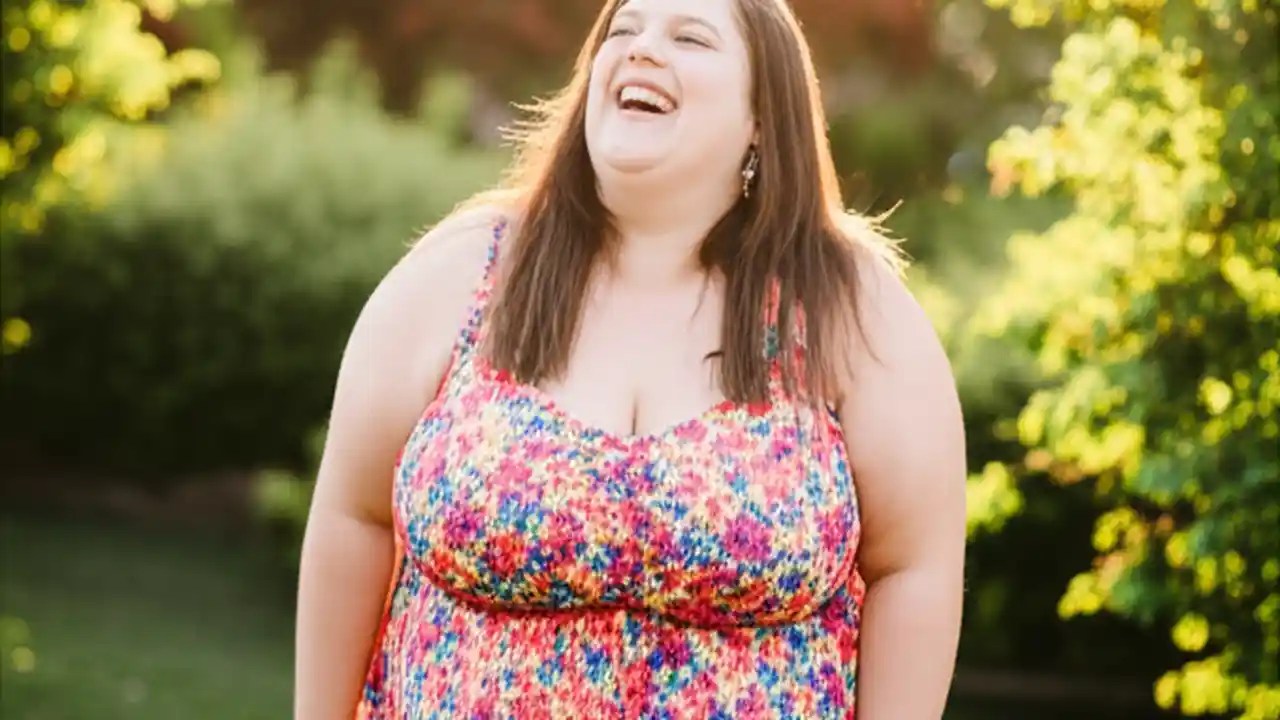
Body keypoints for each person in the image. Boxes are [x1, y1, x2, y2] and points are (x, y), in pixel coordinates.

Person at [294, 0, 966, 717]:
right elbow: (353, 516)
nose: (643, 49)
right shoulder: (459, 276)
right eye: (624, 29)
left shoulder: (851, 308)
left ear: (763, 118)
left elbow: (913, 568)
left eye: (689, 37)